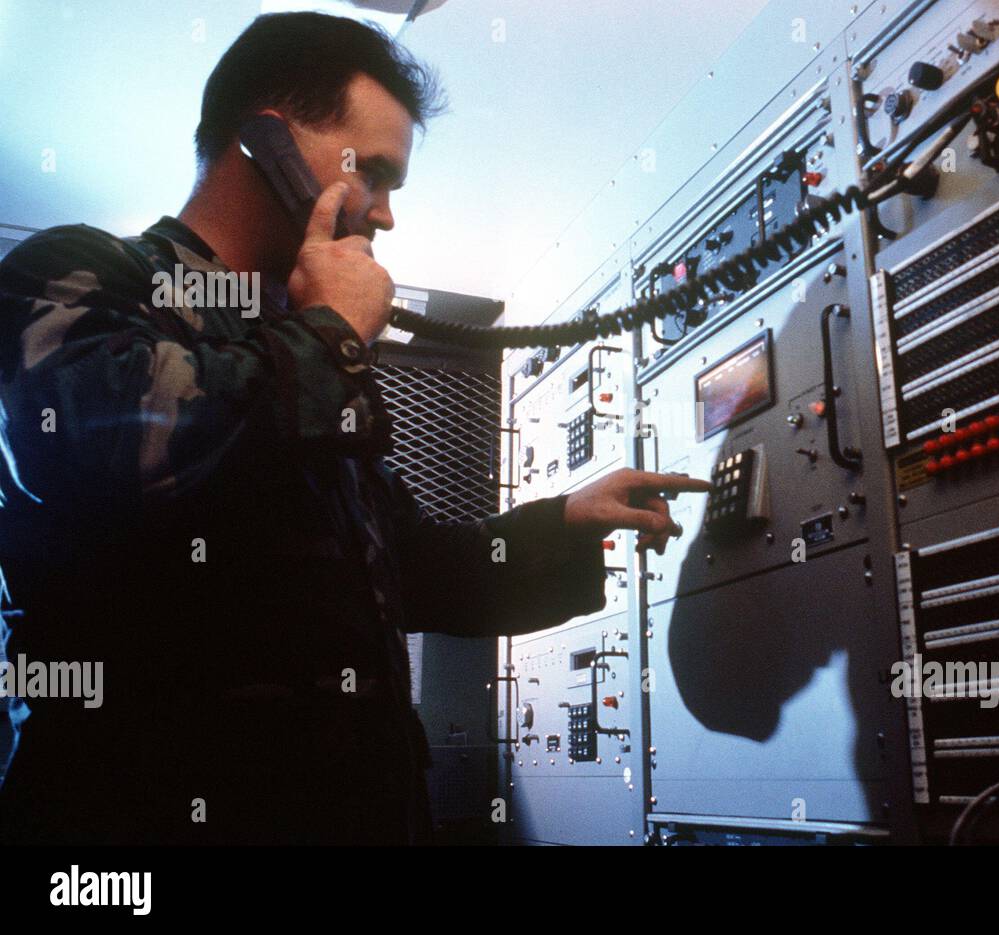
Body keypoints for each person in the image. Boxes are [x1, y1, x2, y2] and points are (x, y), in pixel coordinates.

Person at [0, 11, 706, 844]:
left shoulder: (304, 347)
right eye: (370, 172)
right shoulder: (84, 271)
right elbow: (112, 451)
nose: (386, 214)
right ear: (264, 141)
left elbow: (408, 570)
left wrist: (563, 521)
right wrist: (330, 330)